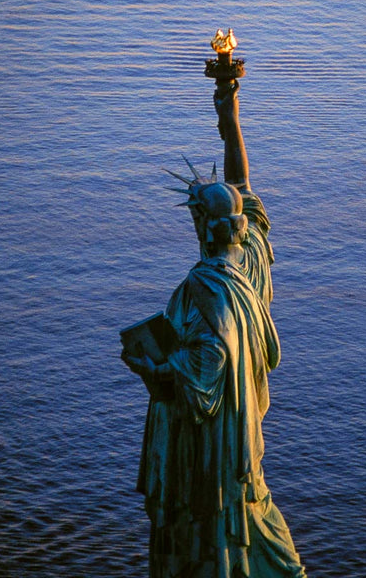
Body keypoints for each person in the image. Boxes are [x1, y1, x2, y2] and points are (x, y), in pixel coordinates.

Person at [122, 79, 307, 578]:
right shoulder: (249, 271)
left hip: (210, 462)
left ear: (205, 229)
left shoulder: (203, 291)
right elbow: (244, 192)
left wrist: (150, 368)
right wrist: (231, 122)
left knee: (212, 542)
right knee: (269, 546)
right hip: (245, 449)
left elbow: (202, 377)